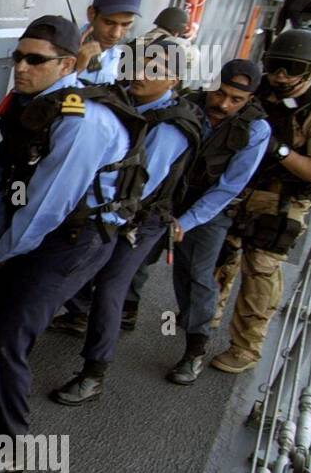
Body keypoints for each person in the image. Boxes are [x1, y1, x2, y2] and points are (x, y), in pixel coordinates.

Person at [0, 16, 144, 473]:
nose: (21, 67)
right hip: (29, 231)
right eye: (17, 56)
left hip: (72, 240)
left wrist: (1, 250)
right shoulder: (33, 104)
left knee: (11, 330)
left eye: (35, 60)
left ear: (68, 64)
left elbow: (50, 204)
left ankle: (3, 452)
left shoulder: (81, 121)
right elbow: (5, 173)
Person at [49, 38, 201, 405]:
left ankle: (94, 374)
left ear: (174, 80)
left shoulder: (169, 127)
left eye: (153, 70)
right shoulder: (133, 100)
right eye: (136, 64)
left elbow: (140, 187)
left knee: (110, 288)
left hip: (137, 219)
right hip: (110, 207)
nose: (137, 74)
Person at [212, 29, 311, 373]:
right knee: (220, 256)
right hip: (242, 189)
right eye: (275, 66)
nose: (280, 76)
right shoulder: (263, 92)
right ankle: (205, 317)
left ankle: (245, 348)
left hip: (282, 200)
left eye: (291, 69)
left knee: (260, 272)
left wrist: (278, 150)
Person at [164, 60, 270, 384]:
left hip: (208, 207)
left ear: (249, 100)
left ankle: (194, 350)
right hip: (167, 197)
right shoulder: (185, 104)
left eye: (235, 100)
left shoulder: (256, 129)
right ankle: (120, 313)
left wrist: (187, 221)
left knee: (197, 275)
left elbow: (228, 187)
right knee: (131, 258)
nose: (223, 104)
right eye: (220, 93)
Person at [76, 0, 142, 86]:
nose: (115, 34)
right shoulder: (60, 47)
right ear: (91, 14)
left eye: (125, 25)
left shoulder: (119, 57)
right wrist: (74, 70)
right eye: (109, 22)